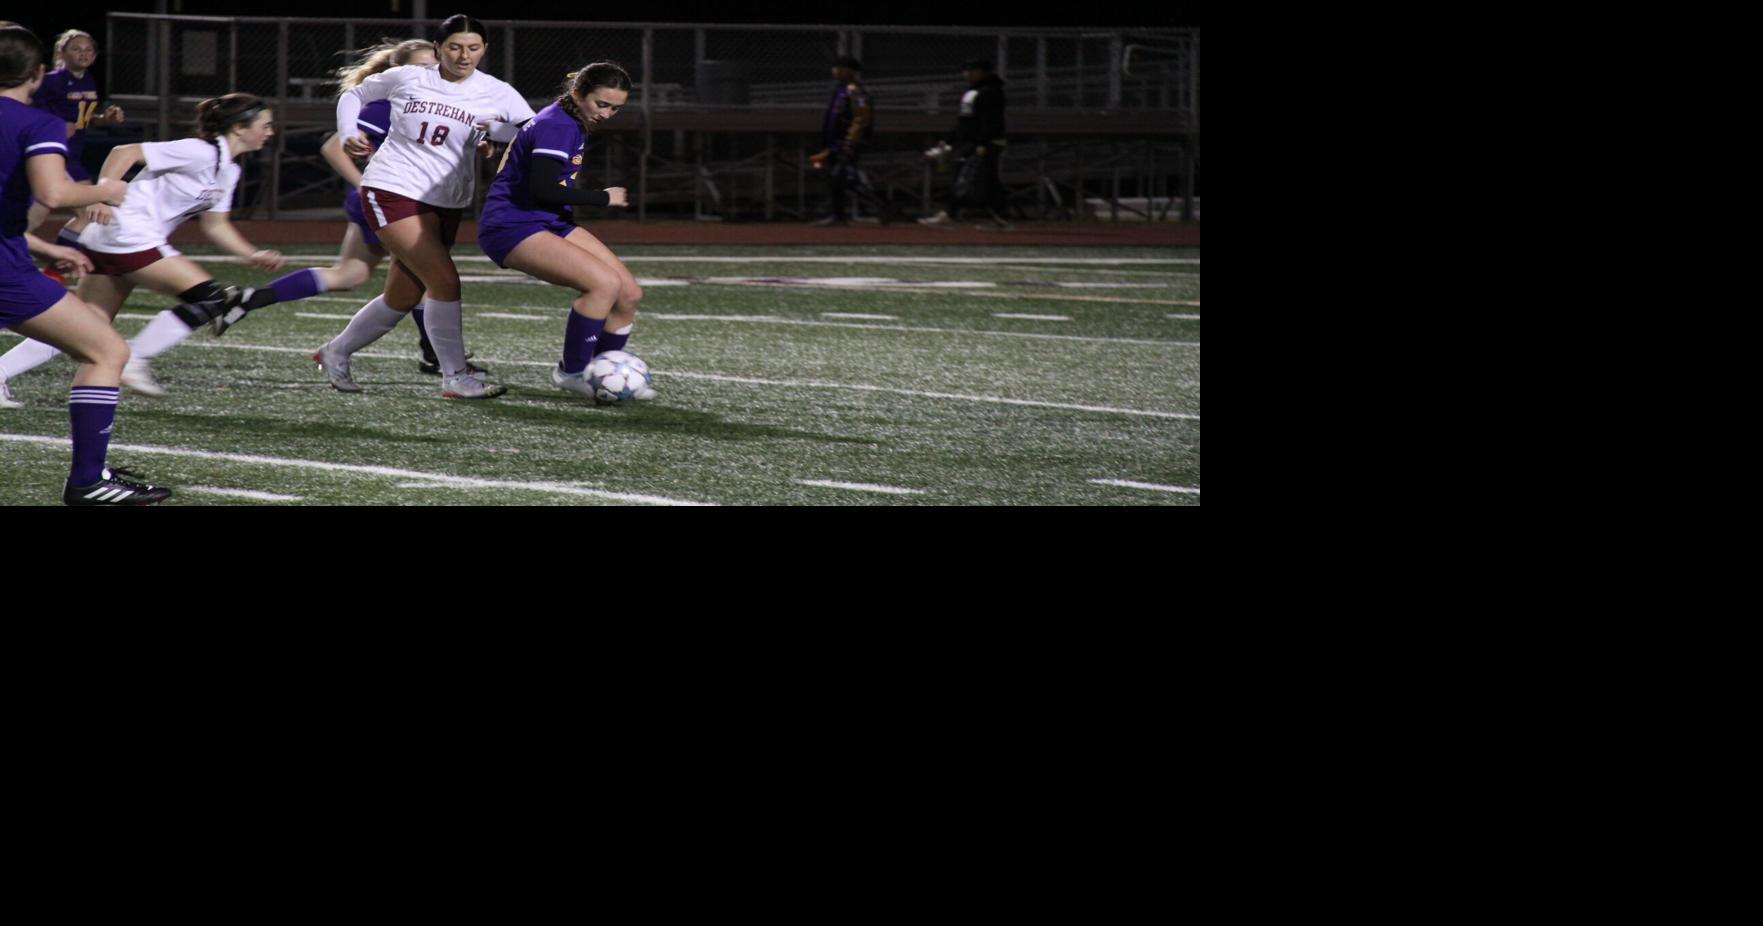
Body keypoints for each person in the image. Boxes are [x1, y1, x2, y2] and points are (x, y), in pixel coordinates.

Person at [211, 37, 484, 378]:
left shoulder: (434, 103)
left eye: (434, 64)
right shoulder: (394, 104)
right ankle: (434, 357)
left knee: (351, 274)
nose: (431, 71)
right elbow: (332, 146)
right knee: (429, 275)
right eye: (421, 66)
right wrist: (364, 184)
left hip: (396, 200)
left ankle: (252, 299)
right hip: (393, 202)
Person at [0, 92, 284, 398]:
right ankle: (136, 357)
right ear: (240, 127)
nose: (270, 132)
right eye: (265, 125)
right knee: (212, 298)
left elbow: (216, 225)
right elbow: (125, 152)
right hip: (127, 234)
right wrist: (104, 193)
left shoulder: (229, 169)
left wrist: (251, 254)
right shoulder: (199, 151)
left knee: (87, 322)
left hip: (115, 236)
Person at [313, 13, 533, 399]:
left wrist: (495, 134)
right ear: (438, 48)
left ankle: (335, 351)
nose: (464, 56)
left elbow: (529, 132)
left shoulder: (498, 91)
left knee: (403, 296)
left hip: (446, 199)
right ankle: (455, 377)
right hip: (392, 188)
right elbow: (355, 94)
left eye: (473, 48)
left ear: (484, 49)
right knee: (444, 281)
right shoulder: (410, 77)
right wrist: (349, 131)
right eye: (454, 47)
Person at [0, 25, 170, 504]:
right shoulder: (38, 122)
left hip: (12, 250)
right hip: (3, 265)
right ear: (37, 73)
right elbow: (54, 193)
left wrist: (47, 248)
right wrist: (105, 191)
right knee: (106, 352)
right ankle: (88, 481)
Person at [477, 62, 652, 403]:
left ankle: (605, 375)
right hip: (512, 224)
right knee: (603, 284)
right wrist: (603, 197)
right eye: (602, 104)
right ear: (578, 93)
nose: (608, 113)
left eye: (616, 108)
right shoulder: (560, 125)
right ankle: (572, 373)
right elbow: (543, 187)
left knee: (628, 293)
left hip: (548, 219)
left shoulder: (569, 119)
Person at [25, 30, 125, 246]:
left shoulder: (88, 81)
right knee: (35, 218)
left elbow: (81, 119)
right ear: (62, 53)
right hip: (52, 157)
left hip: (73, 159)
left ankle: (58, 264)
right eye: (76, 49)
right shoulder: (51, 80)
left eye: (88, 50)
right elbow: (26, 108)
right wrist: (55, 126)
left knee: (89, 215)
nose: (84, 54)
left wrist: (104, 119)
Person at [919, 58, 1011, 231]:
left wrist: (984, 142)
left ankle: (952, 213)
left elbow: (990, 121)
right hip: (972, 141)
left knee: (968, 178)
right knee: (986, 180)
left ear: (983, 71)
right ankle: (998, 216)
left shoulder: (991, 91)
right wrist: (949, 140)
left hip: (984, 143)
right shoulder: (972, 92)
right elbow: (964, 121)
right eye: (965, 70)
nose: (966, 74)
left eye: (971, 70)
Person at [808, 56, 875, 227]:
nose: (835, 71)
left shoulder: (854, 91)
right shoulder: (840, 90)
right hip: (835, 142)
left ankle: (872, 206)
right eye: (835, 67)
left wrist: (851, 140)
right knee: (835, 177)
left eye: (840, 67)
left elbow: (862, 117)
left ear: (851, 71)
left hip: (847, 141)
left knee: (841, 176)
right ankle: (838, 215)